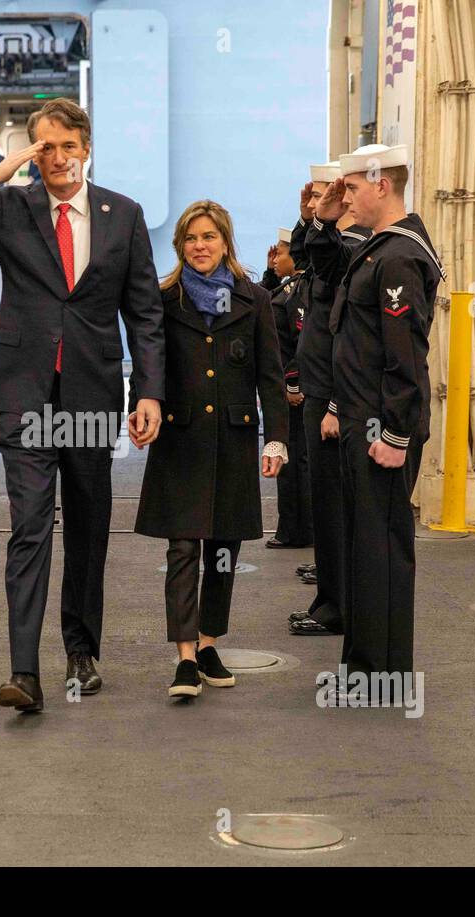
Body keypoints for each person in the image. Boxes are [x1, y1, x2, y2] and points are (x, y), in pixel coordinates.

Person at [0, 96, 166, 713]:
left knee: (88, 528)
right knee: (31, 527)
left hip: (91, 395)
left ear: (86, 148)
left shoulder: (124, 215)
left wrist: (150, 393)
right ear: (33, 152)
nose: (57, 158)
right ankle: (23, 671)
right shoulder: (10, 206)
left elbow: (144, 313)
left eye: (67, 146)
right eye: (45, 147)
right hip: (25, 395)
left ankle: (82, 652)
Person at [131, 201, 288, 698]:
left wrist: (278, 438)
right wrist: (141, 403)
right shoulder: (163, 298)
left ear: (225, 242)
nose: (200, 246)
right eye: (191, 239)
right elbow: (148, 363)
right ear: (181, 246)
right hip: (180, 438)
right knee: (182, 549)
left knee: (224, 548)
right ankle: (183, 657)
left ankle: (208, 642)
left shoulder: (255, 299)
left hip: (234, 440)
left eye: (209, 237)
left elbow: (270, 375)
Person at [316, 143, 444, 696]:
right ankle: (365, 667)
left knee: (381, 550)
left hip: (381, 431)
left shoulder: (398, 258)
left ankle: (380, 675)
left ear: (382, 185)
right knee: (364, 545)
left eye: (351, 188)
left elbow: (404, 358)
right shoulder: (377, 251)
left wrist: (394, 434)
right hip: (362, 422)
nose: (345, 198)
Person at [288, 162, 372, 638]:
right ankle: (330, 595)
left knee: (335, 504)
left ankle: (337, 604)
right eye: (319, 197)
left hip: (333, 392)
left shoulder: (356, 247)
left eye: (331, 197)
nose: (322, 204)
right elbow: (310, 261)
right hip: (320, 385)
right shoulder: (338, 246)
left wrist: (338, 404)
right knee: (326, 503)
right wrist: (308, 222)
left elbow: (352, 334)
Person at [262, 226, 313, 549]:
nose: (276, 259)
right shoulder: (286, 289)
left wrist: (293, 384)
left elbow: (297, 344)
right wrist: (269, 273)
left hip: (294, 393)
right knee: (291, 462)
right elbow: (263, 303)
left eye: (280, 253)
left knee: (297, 463)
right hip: (286, 388)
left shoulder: (299, 293)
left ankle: (298, 530)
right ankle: (291, 528)